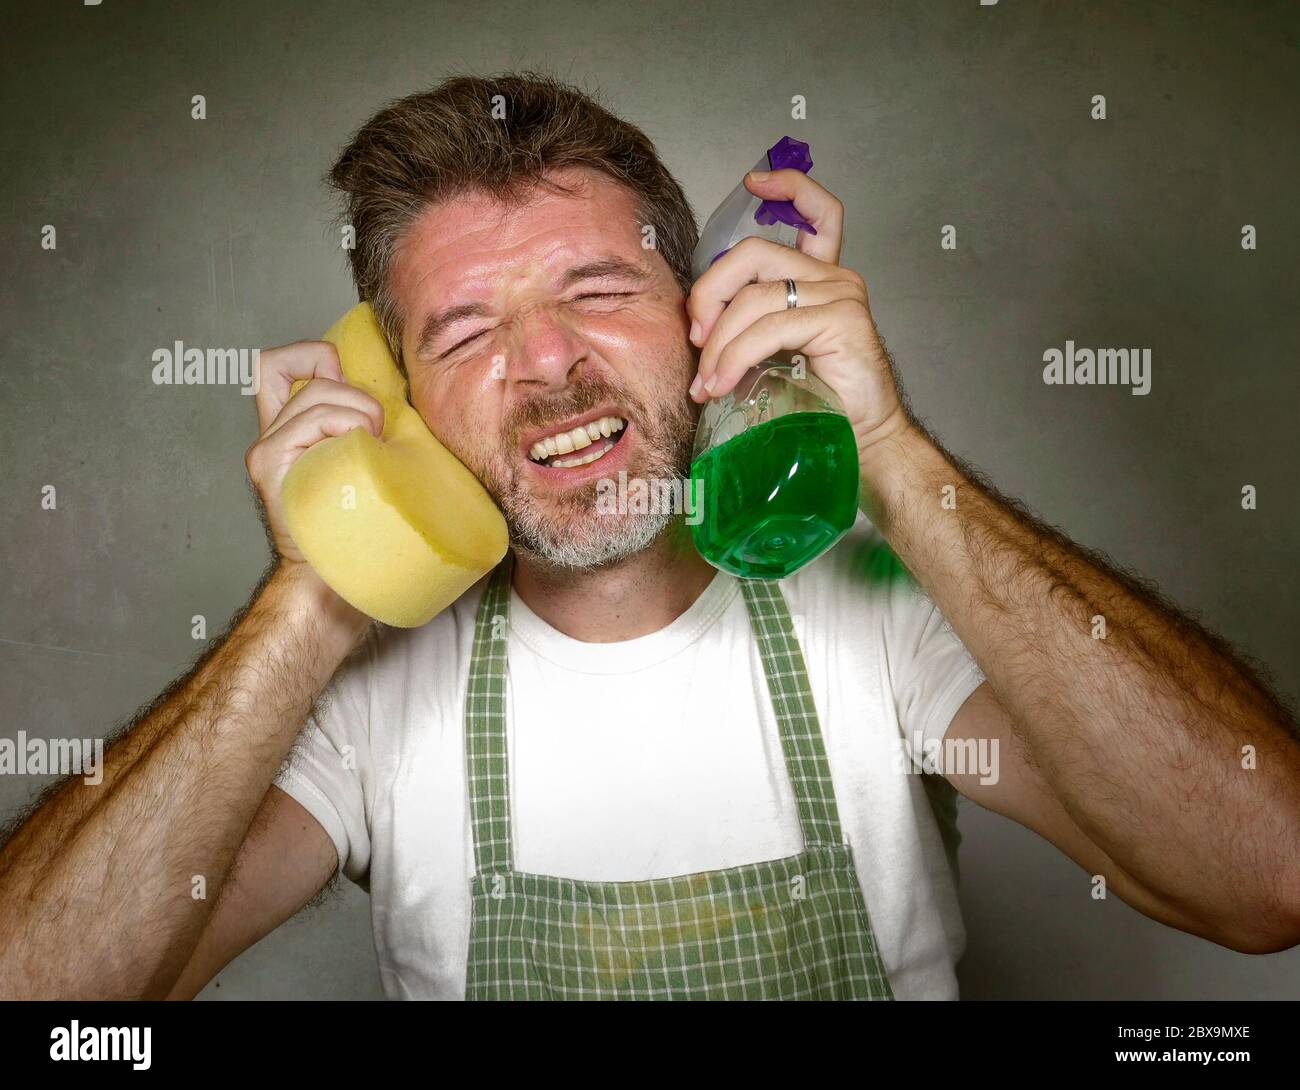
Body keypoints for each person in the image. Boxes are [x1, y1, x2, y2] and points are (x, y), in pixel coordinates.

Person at [1, 73, 1296, 1001]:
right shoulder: (359, 696)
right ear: (396, 397)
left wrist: (890, 456)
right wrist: (315, 593)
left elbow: (1265, 878)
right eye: (463, 333)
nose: (548, 362)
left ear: (706, 313)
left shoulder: (881, 605)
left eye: (599, 290)